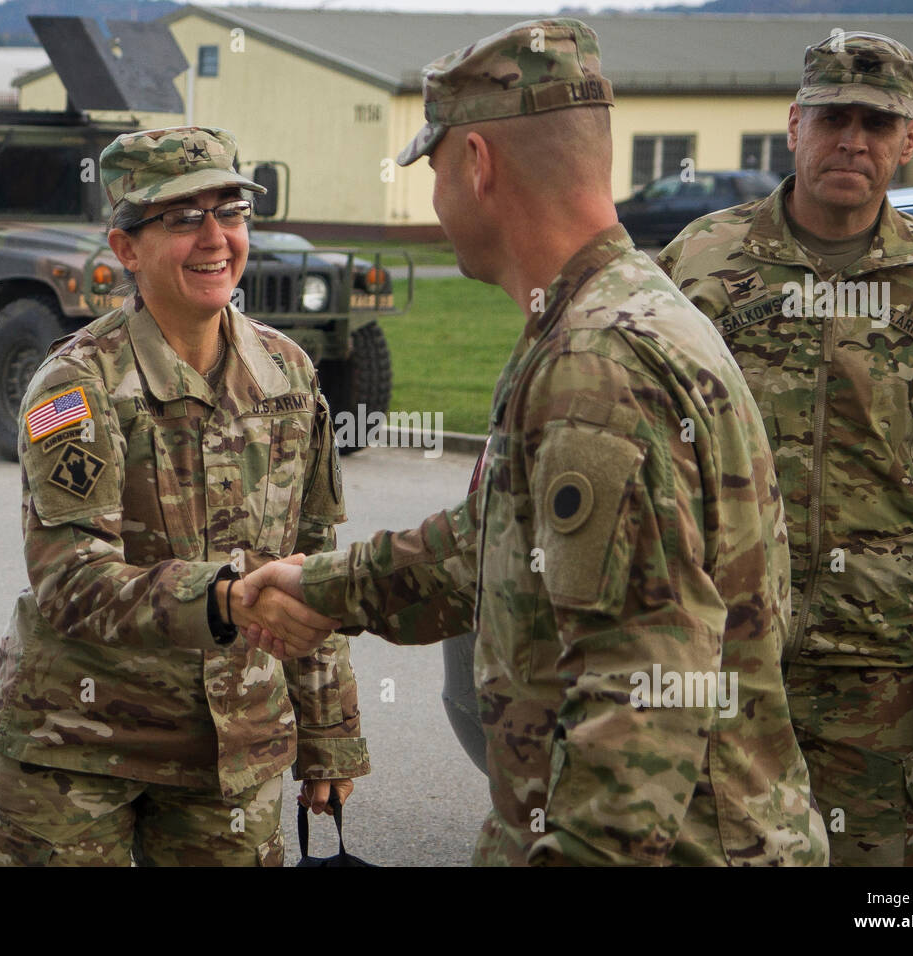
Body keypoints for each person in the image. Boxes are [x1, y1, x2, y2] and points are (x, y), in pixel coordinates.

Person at [241, 18, 828, 867]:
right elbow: (495, 545)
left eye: (435, 172)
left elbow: (639, 708)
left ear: (477, 165)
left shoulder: (594, 364)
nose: (434, 202)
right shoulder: (610, 315)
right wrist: (325, 587)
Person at [657, 32, 913, 866]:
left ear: (908, 139)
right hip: (712, 646)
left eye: (877, 122)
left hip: (871, 666)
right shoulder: (701, 264)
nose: (852, 141)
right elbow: (638, 443)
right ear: (795, 125)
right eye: (833, 117)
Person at [0, 126, 369, 866]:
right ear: (126, 248)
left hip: (232, 755)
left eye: (231, 212)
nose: (216, 239)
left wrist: (329, 736)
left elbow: (313, 568)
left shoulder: (288, 373)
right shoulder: (77, 386)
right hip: (79, 754)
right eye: (183, 219)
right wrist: (223, 598)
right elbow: (72, 582)